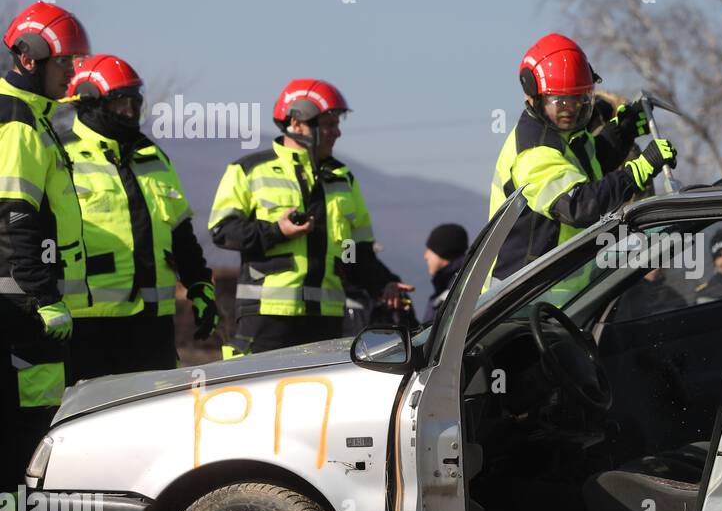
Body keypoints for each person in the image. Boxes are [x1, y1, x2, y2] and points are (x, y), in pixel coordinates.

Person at [208, 78, 412, 356]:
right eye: (329, 124)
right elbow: (222, 231)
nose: (337, 132)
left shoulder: (343, 179)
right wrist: (276, 231)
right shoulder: (248, 170)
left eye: (337, 124)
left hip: (325, 321)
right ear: (298, 123)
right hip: (267, 317)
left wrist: (384, 282)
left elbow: (359, 253)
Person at [0, 2, 92, 511]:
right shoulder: (17, 122)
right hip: (20, 312)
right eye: (65, 62)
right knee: (25, 443)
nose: (73, 73)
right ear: (29, 58)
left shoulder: (32, 118)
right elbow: (15, 219)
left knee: (28, 439)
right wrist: (43, 297)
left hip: (23, 306)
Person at [62, 54, 217, 381]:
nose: (130, 113)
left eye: (135, 104)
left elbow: (181, 233)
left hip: (153, 327)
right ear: (89, 102)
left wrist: (200, 285)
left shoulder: (153, 156)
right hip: (86, 327)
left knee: (152, 421)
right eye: (120, 104)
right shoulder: (58, 153)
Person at [487, 33, 673, 283]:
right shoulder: (535, 154)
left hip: (560, 291)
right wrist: (637, 172)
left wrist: (622, 132)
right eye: (561, 101)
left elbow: (587, 167)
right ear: (533, 97)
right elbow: (579, 205)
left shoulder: (564, 134)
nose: (571, 110)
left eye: (580, 100)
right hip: (524, 298)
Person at [422, 223, 468, 323]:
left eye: (429, 250)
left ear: (442, 252)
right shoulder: (447, 286)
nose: (425, 256)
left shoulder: (458, 290)